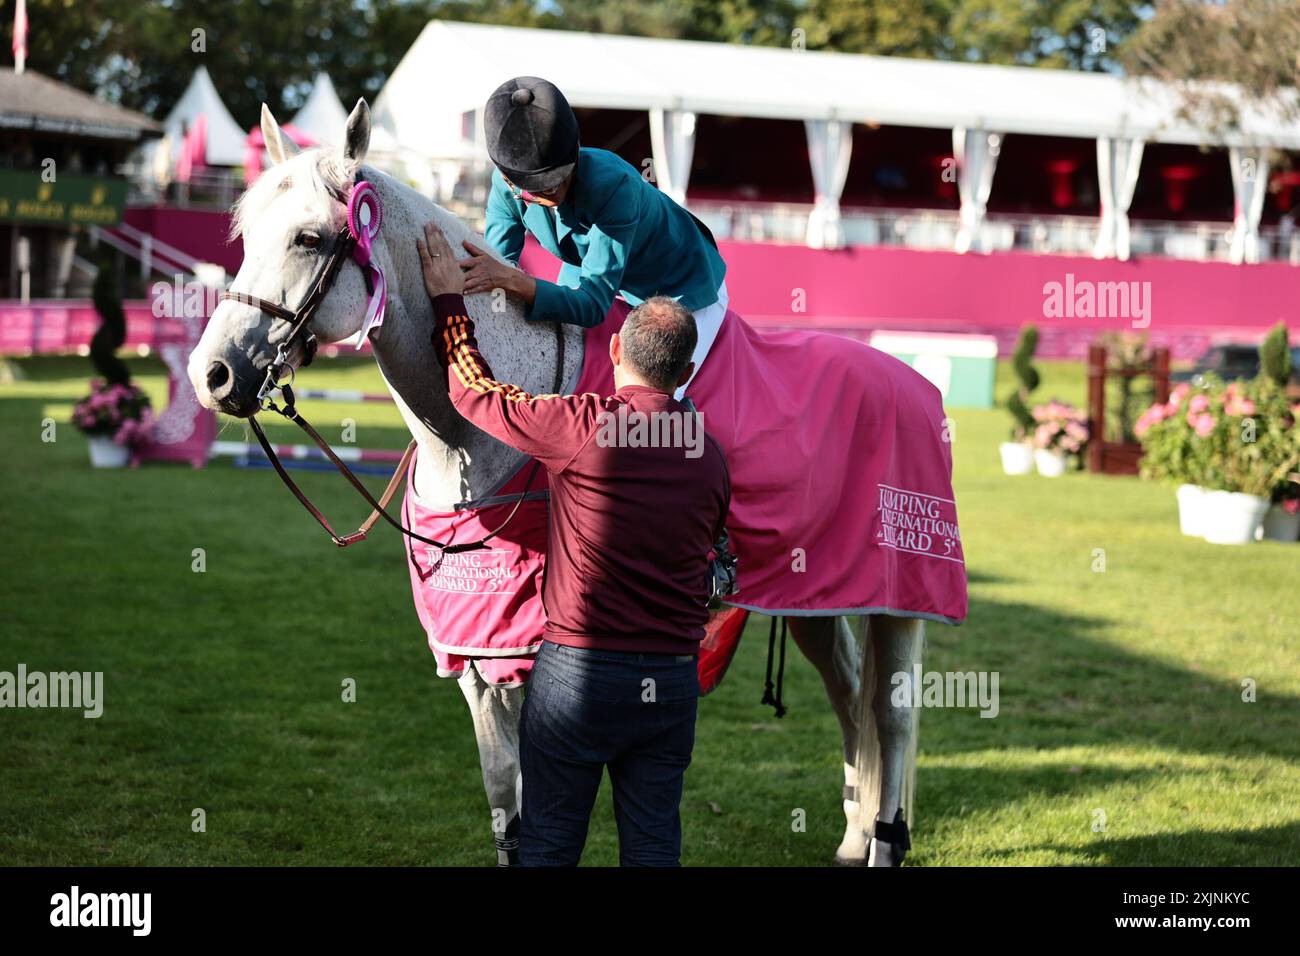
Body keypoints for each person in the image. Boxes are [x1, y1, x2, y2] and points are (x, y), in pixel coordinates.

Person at [416, 222, 731, 867]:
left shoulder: (585, 424)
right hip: (670, 684)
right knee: (652, 849)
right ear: (685, 370)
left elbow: (474, 392)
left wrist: (450, 301)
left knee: (550, 845)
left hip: (580, 679)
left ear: (614, 349)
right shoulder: (709, 454)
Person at [455, 75, 728, 396]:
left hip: (680, 286)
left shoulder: (614, 186)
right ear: (507, 177)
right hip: (589, 269)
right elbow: (495, 269)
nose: (555, 191)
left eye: (560, 178)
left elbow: (592, 305)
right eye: (539, 188)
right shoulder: (504, 186)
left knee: (655, 403)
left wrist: (511, 280)